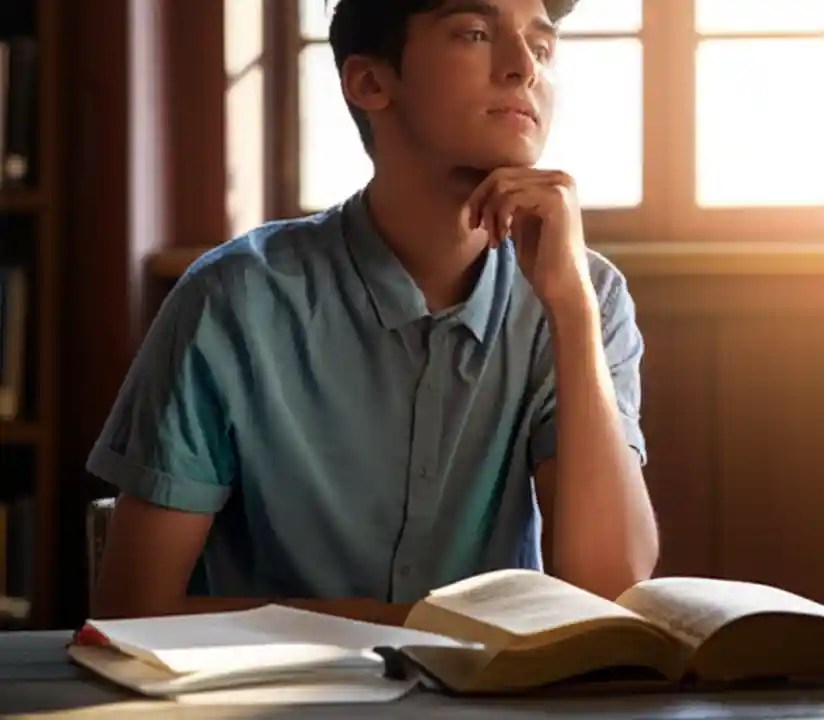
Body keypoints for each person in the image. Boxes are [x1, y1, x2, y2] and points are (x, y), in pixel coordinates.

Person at [89, 0, 658, 626]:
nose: (525, 69)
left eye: (542, 47)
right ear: (370, 82)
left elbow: (608, 592)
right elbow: (132, 609)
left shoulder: (586, 296)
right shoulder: (234, 299)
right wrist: (423, 628)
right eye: (474, 33)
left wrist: (570, 308)